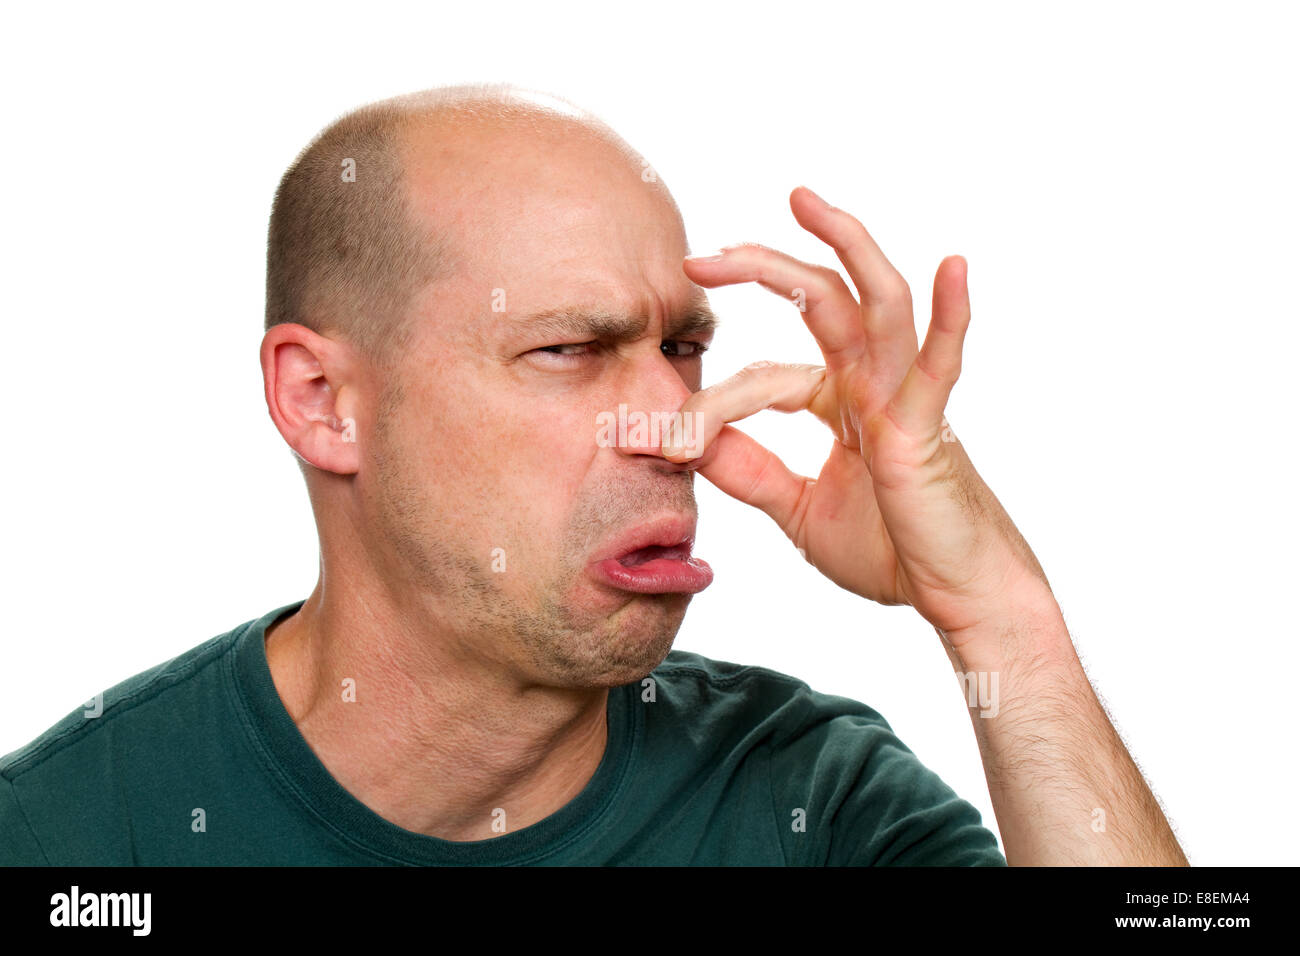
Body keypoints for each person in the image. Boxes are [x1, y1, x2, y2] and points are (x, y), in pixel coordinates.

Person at [0, 83, 1187, 866]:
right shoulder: (65, 837)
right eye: (568, 349)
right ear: (324, 403)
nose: (677, 424)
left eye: (682, 348)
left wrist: (1000, 621)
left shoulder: (804, 798)